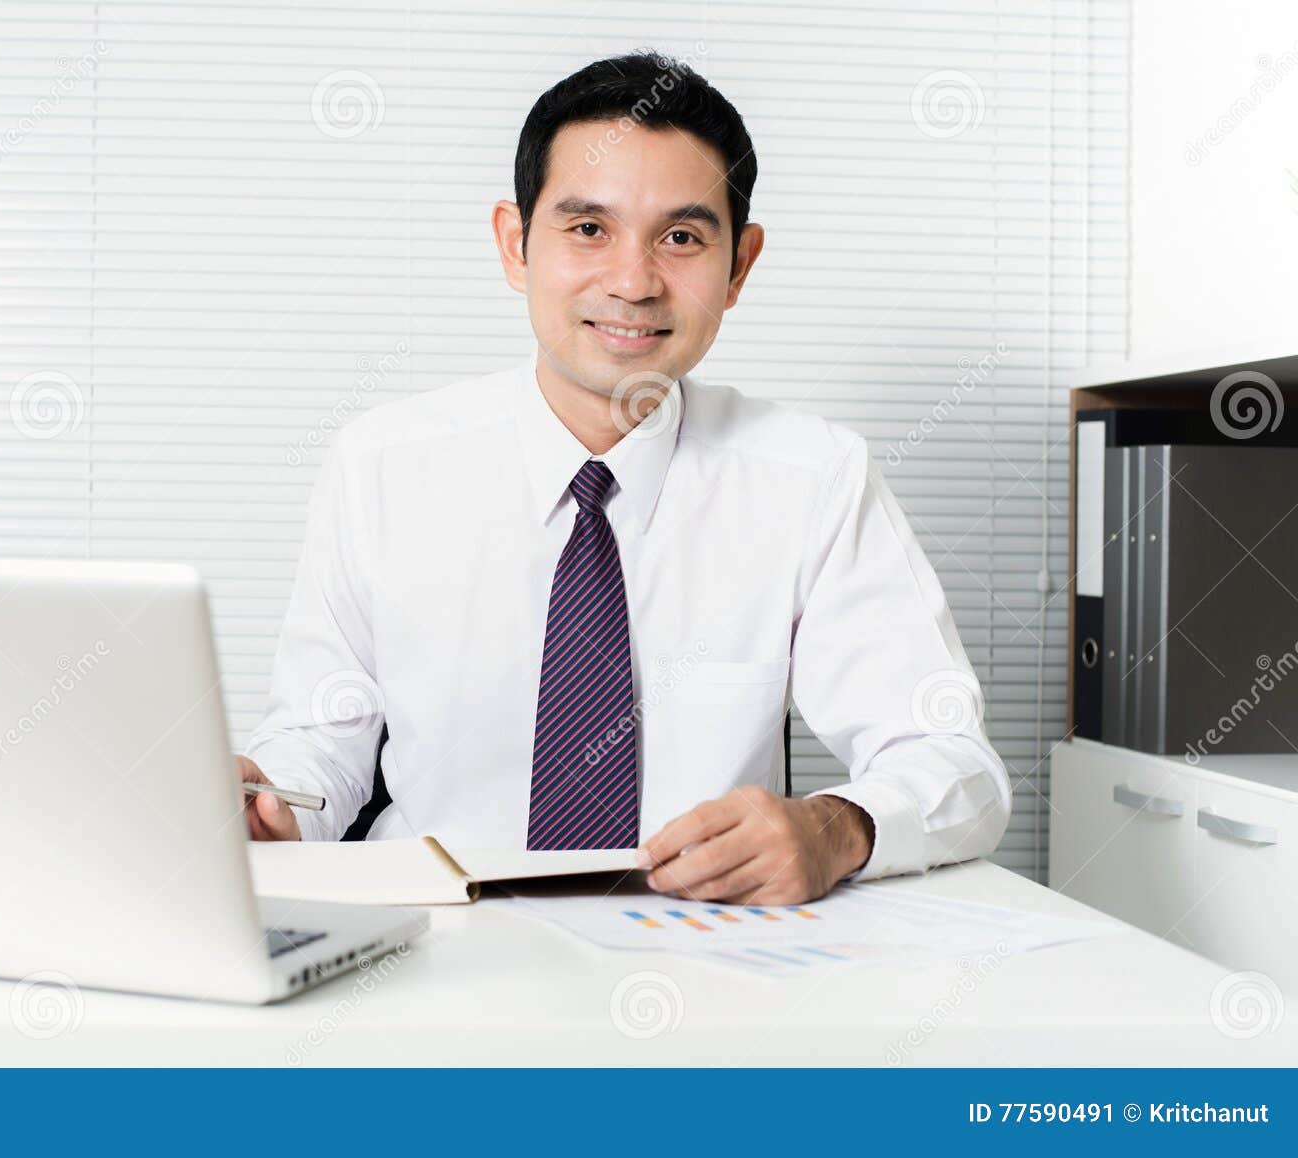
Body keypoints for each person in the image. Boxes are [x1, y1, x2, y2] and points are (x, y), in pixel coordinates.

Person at [237, 51, 1010, 905]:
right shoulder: (380, 464)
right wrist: (273, 806)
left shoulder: (813, 478)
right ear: (514, 243)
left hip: (701, 949)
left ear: (739, 266)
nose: (634, 283)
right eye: (588, 229)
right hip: (432, 941)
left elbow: (952, 764)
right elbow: (320, 737)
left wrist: (830, 830)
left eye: (681, 237)